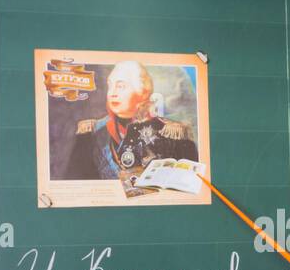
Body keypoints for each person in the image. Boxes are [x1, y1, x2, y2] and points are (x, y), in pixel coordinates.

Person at [57, 62, 199, 181]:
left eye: (121, 86)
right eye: (110, 85)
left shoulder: (175, 137)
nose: (112, 93)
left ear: (142, 92)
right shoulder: (89, 136)